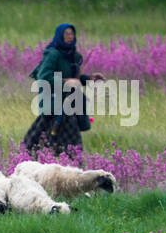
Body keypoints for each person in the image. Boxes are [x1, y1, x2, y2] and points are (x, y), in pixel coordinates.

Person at [21, 22, 105, 158]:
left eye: (72, 33)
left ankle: (70, 169)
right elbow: (44, 77)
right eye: (66, 33)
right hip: (54, 104)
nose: (69, 36)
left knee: (71, 142)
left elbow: (74, 79)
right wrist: (66, 82)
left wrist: (89, 78)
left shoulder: (74, 56)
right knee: (43, 142)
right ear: (59, 35)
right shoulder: (52, 54)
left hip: (70, 103)